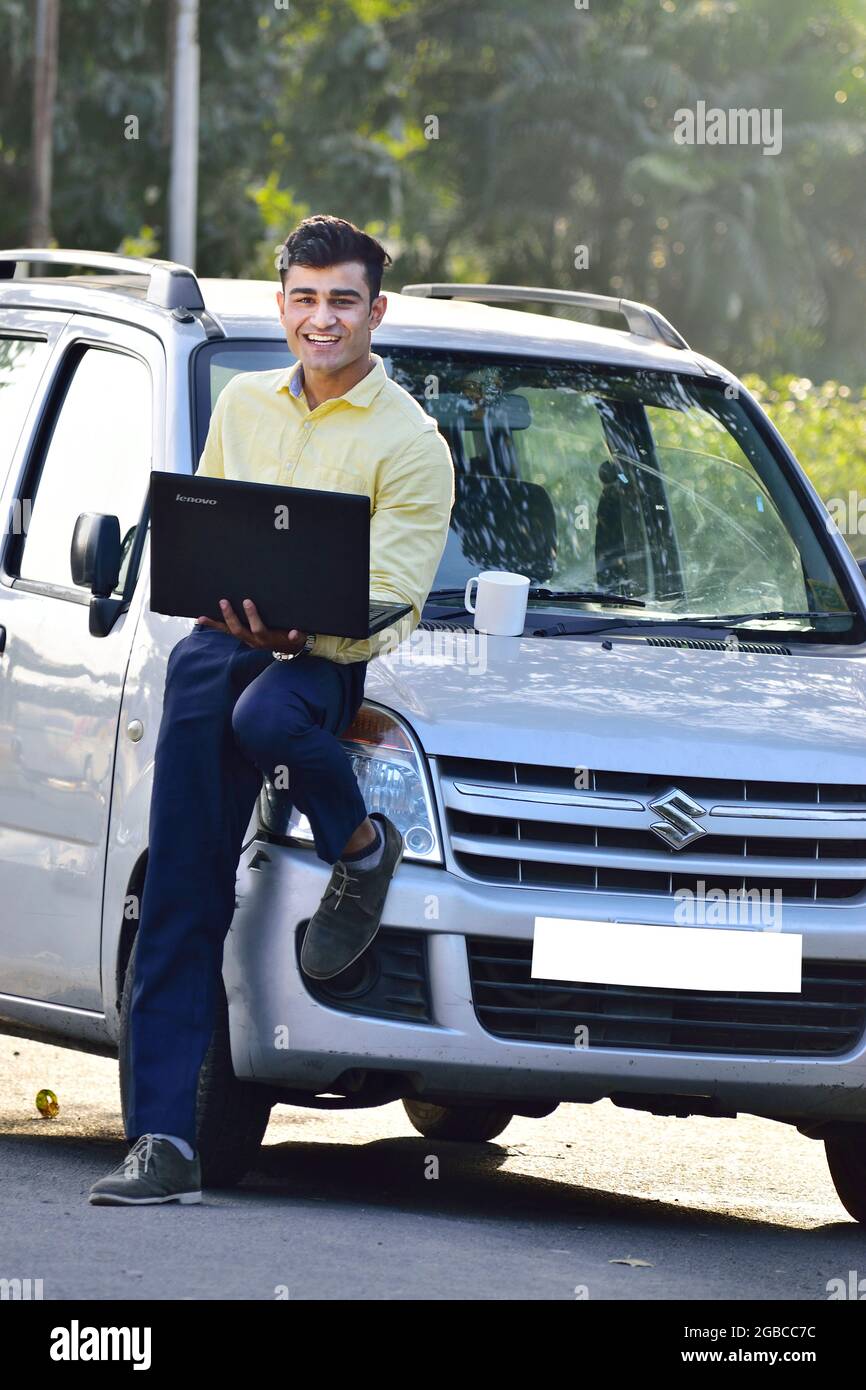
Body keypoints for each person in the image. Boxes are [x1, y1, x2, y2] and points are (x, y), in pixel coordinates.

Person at [89, 215, 455, 1205]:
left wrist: (302, 633)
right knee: (177, 896)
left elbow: (392, 599)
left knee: (269, 720)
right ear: (281, 302)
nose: (320, 317)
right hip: (216, 652)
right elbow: (205, 525)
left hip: (316, 665)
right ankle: (161, 1142)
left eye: (341, 299)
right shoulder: (243, 404)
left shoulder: (413, 444)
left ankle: (358, 843)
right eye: (303, 297)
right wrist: (219, 596)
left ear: (375, 311)